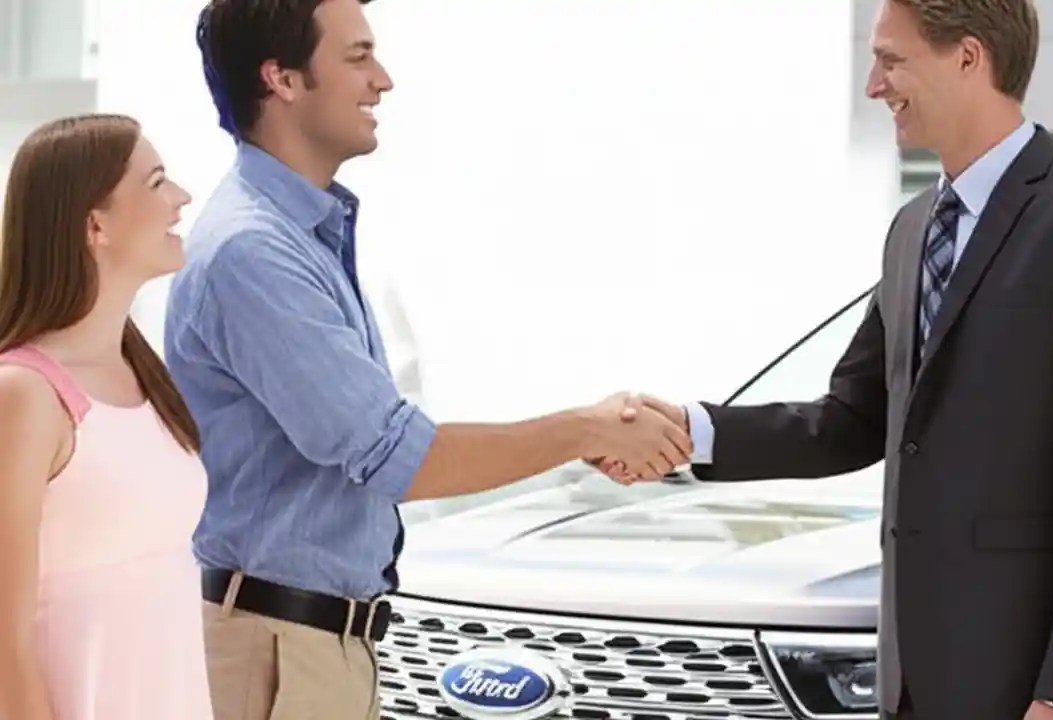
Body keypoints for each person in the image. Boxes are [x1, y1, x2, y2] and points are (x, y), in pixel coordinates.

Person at [602, 1, 1053, 718]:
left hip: (1029, 690)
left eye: (892, 60)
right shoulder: (911, 231)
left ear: (968, 57)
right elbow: (851, 419)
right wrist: (689, 430)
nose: (875, 85)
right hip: (908, 683)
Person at [166, 1, 690, 718]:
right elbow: (398, 459)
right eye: (357, 57)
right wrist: (589, 430)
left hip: (316, 642)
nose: (382, 81)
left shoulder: (299, 237)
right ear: (281, 79)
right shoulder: (253, 253)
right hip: (281, 652)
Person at [0, 114, 213, 720]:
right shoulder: (24, 395)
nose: (181, 198)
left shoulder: (144, 375)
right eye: (156, 182)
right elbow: (3, 643)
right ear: (95, 225)